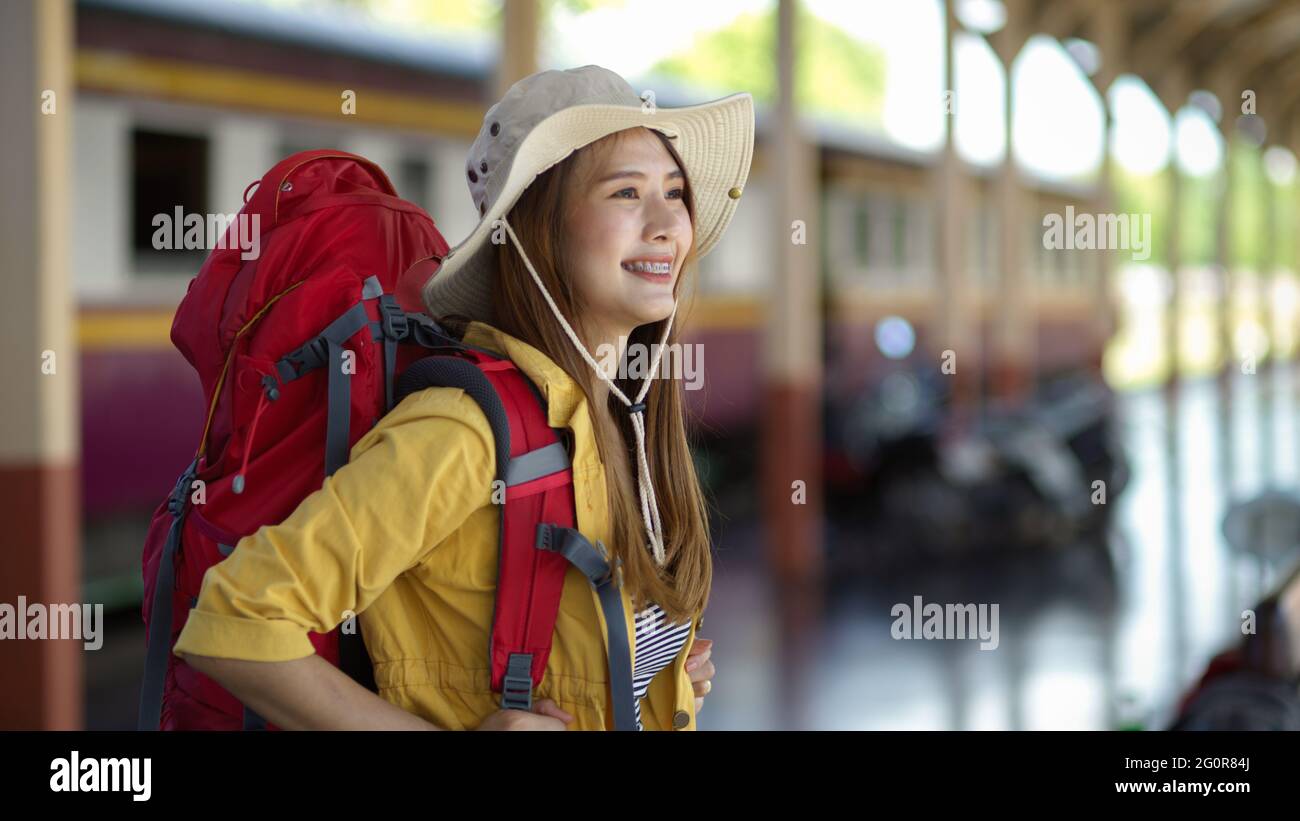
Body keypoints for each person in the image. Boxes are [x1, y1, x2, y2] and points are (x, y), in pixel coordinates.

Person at [172, 64, 754, 730]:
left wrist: (650, 674)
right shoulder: (466, 429)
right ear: (540, 228)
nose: (666, 223)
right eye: (626, 192)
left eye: (675, 192)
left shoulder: (621, 419)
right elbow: (234, 619)